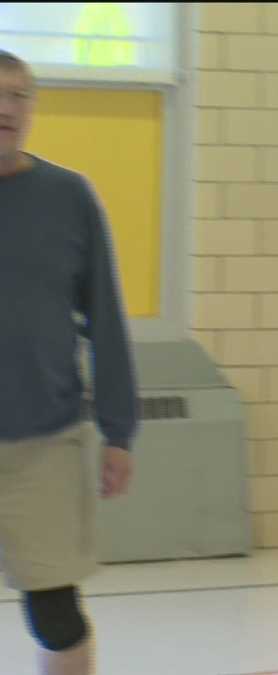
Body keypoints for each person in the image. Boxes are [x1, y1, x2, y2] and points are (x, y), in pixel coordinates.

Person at [0, 49, 138, 675]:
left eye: (19, 95)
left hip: (43, 443)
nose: (6, 107)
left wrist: (119, 430)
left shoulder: (68, 197)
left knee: (56, 619)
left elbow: (106, 321)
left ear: (31, 108)